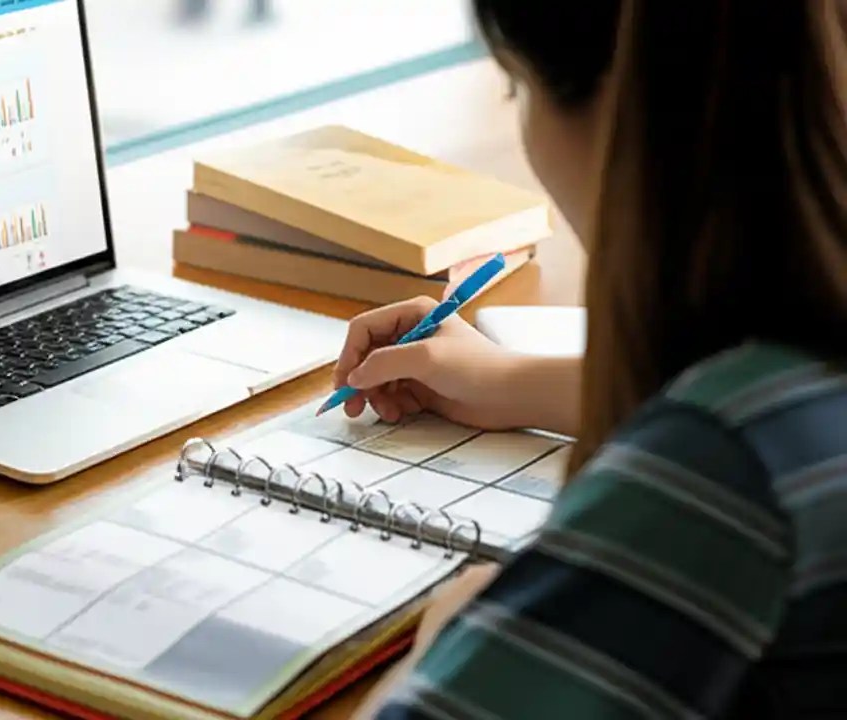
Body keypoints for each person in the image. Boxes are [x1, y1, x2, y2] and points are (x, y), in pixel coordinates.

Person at [340, 1, 847, 717]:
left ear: (618, 104)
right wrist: (509, 381)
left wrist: (446, 640)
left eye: (517, 87)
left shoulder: (719, 473)